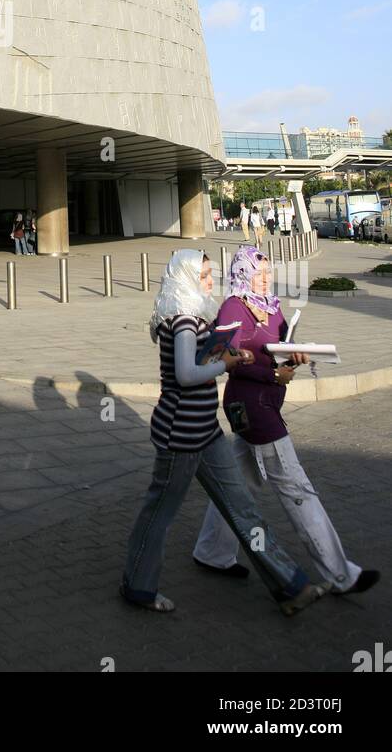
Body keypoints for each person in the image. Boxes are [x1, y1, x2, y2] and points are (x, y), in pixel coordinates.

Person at [121, 249, 323, 616]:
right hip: (179, 435)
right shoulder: (182, 320)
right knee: (160, 513)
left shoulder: (196, 317)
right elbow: (185, 375)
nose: (211, 282)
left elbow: (203, 361)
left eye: (211, 274)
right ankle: (138, 585)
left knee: (241, 506)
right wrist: (226, 363)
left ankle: (290, 585)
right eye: (204, 276)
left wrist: (233, 355)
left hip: (206, 430)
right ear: (185, 279)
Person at [193, 246, 379, 596]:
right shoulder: (234, 306)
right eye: (257, 272)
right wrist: (271, 374)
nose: (264, 278)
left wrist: (294, 357)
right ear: (243, 274)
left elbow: (279, 350)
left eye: (268, 271)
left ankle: (211, 551)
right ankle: (341, 574)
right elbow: (226, 354)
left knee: (239, 483)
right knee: (297, 489)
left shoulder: (273, 307)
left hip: (266, 405)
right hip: (253, 410)